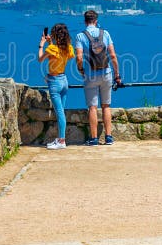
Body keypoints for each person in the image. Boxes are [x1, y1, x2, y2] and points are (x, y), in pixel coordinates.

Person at [75, 10, 121, 146]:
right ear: (96, 20)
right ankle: (108, 137)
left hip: (90, 75)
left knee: (93, 107)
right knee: (106, 106)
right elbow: (112, 56)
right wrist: (117, 75)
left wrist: (81, 69)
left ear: (85, 21)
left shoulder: (80, 36)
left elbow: (78, 57)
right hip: (106, 73)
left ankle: (94, 139)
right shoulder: (105, 33)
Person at [37, 23, 74, 150]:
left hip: (54, 82)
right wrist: (51, 43)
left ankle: (62, 141)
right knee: (61, 112)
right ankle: (60, 138)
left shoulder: (52, 48)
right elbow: (56, 53)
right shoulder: (68, 48)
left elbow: (40, 58)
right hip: (64, 80)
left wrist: (41, 44)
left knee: (59, 113)